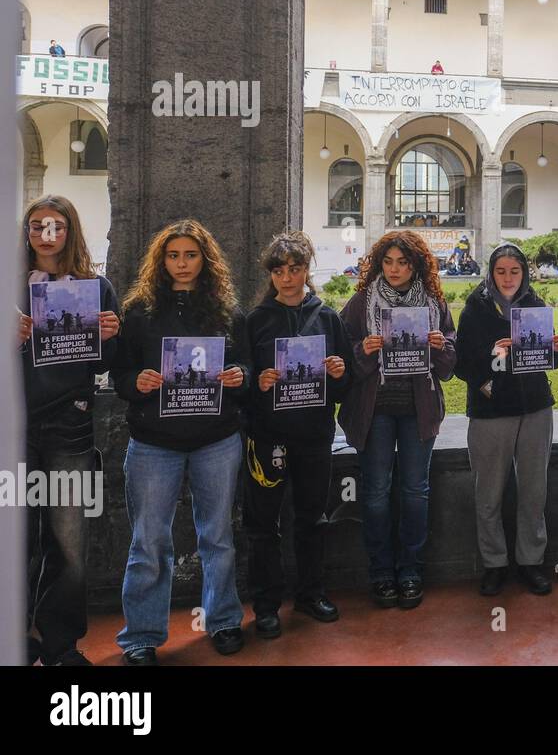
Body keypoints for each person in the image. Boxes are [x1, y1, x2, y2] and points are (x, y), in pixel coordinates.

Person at [112, 220, 251, 665]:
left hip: (216, 439)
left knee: (218, 536)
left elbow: (247, 366)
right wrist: (138, 380)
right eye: (174, 255)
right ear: (161, 260)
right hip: (154, 443)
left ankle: (223, 620)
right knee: (149, 542)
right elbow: (120, 376)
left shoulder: (228, 312)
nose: (182, 263)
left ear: (205, 260)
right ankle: (142, 636)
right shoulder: (138, 313)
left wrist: (240, 376)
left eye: (191, 255)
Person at [18, 196, 121, 666]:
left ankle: (61, 644)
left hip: (71, 425)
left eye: (56, 226)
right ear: (27, 232)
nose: (46, 234)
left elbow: (105, 366)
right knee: (15, 540)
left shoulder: (96, 288)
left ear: (69, 231)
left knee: (69, 544)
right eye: (37, 225)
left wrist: (108, 336)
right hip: (13, 427)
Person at [242, 232, 354, 639]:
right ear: (270, 274)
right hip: (267, 437)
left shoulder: (328, 318)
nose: (287, 278)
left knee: (312, 517)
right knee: (263, 524)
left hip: (314, 435)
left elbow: (345, 386)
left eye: (295, 269)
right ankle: (266, 604)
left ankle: (310, 592)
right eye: (279, 270)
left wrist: (341, 374)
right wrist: (259, 381)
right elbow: (239, 383)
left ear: (307, 270)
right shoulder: (254, 321)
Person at [338, 230, 457, 610]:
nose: (394, 269)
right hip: (374, 410)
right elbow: (341, 358)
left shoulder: (434, 303)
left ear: (416, 264)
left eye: (402, 262)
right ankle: (380, 572)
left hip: (418, 410)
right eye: (387, 261)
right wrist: (363, 349)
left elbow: (451, 364)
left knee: (415, 491)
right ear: (378, 264)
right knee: (374, 492)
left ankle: (410, 570)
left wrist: (440, 347)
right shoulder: (361, 303)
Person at [454, 243, 558, 597]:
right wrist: (494, 355)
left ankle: (530, 562)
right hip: (491, 412)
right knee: (488, 493)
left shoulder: (534, 305)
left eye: (514, 272)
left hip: (535, 408)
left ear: (524, 274)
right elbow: (460, 365)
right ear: (491, 272)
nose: (507, 278)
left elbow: (545, 363)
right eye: (501, 272)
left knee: (534, 491)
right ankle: (494, 564)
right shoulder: (474, 310)